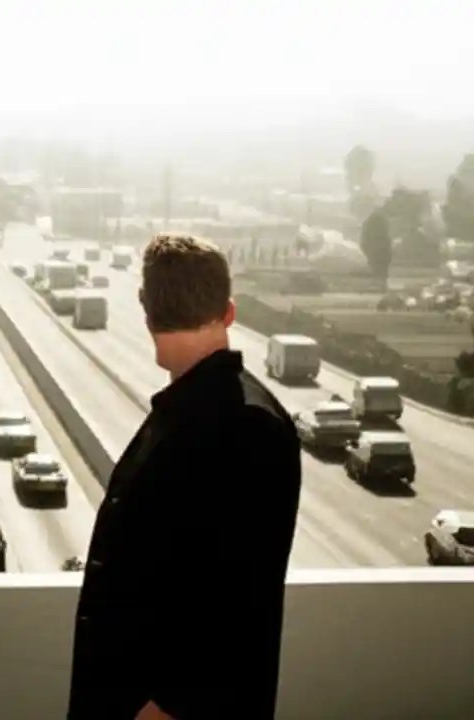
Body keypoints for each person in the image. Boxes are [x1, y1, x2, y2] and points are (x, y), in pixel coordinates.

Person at [68, 233, 302, 719]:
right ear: (229, 312)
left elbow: (236, 604)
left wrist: (164, 707)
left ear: (145, 310)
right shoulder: (216, 411)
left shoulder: (243, 425)